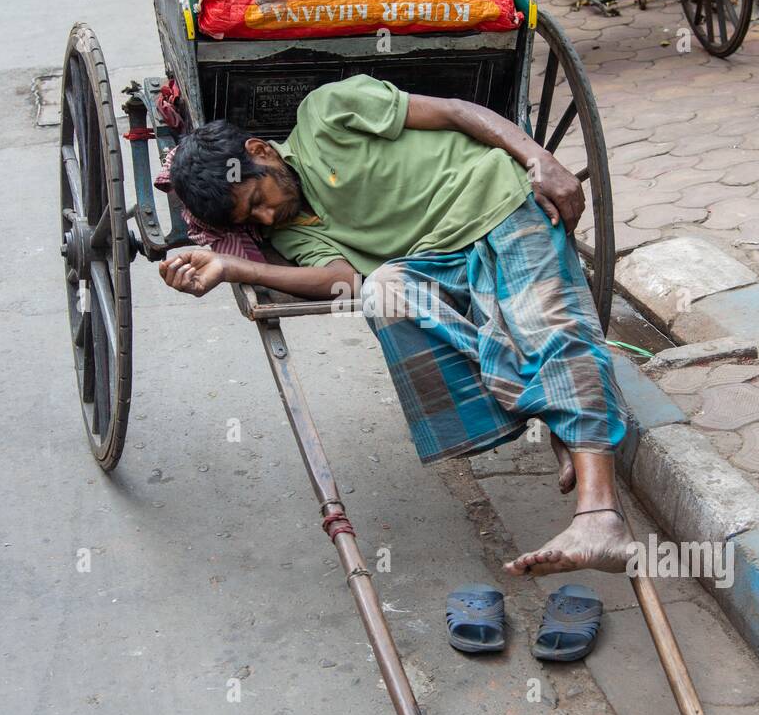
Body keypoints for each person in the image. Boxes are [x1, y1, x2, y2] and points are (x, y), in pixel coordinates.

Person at [159, 76, 633, 579]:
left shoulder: (326, 113)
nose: (268, 214)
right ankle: (560, 414)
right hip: (437, 260)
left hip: (496, 203)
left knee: (544, 324)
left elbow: (453, 109)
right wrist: (232, 266)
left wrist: (541, 160)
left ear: (260, 152)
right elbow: (343, 280)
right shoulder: (291, 229)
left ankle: (599, 519)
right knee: (382, 288)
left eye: (259, 196)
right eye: (252, 217)